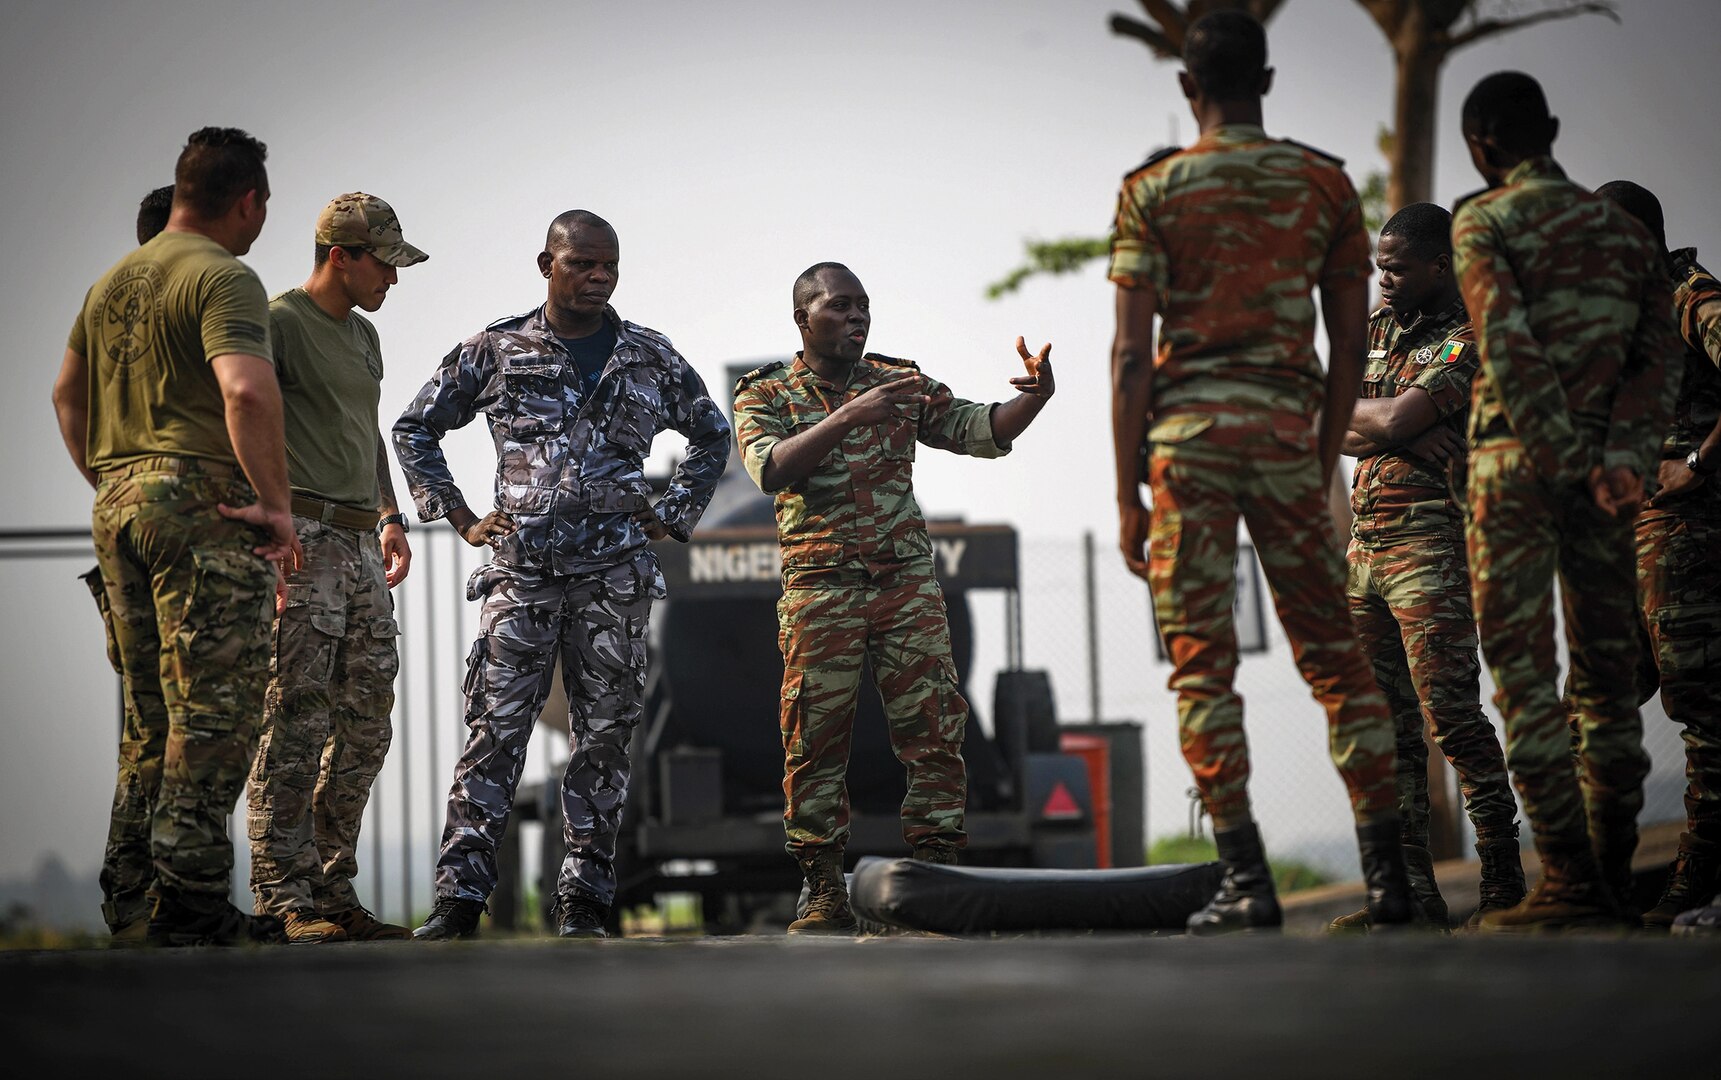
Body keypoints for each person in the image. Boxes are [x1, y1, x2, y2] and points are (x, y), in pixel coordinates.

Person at [1109, 10, 1420, 935]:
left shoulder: (1151, 192)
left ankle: (1248, 883)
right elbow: (1350, 342)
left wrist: (1125, 491)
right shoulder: (1323, 184)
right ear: (1269, 81)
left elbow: (1130, 357)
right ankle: (1387, 884)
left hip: (1189, 453)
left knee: (1201, 670)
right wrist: (1320, 456)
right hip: (1289, 441)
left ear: (1184, 86)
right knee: (1336, 661)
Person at [396, 210, 729, 940]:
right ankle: (458, 901)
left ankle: (584, 902)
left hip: (614, 578)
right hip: (520, 577)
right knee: (494, 735)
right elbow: (415, 424)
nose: (599, 277)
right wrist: (455, 515)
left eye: (609, 265)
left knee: (603, 741)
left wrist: (674, 512)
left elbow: (711, 432)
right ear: (545, 264)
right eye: (582, 264)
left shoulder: (648, 356)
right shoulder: (496, 347)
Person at [731, 261, 1053, 934]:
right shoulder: (763, 394)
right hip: (820, 589)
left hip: (904, 583)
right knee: (814, 739)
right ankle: (822, 889)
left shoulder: (898, 383)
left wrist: (1036, 397)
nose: (856, 318)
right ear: (802, 319)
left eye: (863, 307)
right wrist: (850, 415)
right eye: (839, 307)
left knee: (934, 727)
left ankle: (932, 872)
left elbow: (981, 428)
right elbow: (770, 468)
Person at [52, 127, 300, 946]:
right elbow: (247, 395)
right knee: (215, 710)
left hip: (119, 500)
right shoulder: (222, 277)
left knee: (148, 716)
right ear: (248, 202)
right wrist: (275, 506)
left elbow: (65, 397)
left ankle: (131, 899)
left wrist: (117, 482)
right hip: (199, 505)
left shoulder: (111, 282)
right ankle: (191, 901)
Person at [1452, 73, 1680, 931]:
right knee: (1605, 679)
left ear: (1480, 145)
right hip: (1610, 480)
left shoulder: (1483, 219)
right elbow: (1653, 360)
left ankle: (1569, 882)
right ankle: (1611, 879)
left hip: (1516, 470)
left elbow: (1504, 347)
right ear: (1549, 128)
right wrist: (1615, 461)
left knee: (1522, 677)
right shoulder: (1622, 235)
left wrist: (1558, 457)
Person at [1331, 203, 1523, 931]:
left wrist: (1385, 426)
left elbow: (1379, 420)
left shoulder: (1471, 336)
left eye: (1399, 266)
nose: (1383, 277)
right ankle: (1408, 898)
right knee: (1383, 729)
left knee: (1451, 718)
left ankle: (1504, 884)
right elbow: (1335, 420)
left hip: (1431, 548)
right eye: (1380, 263)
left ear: (1440, 267)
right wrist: (1394, 432)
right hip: (1364, 550)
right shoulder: (1376, 331)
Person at [245, 193, 425, 943]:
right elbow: (242, 416)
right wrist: (268, 525)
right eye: (384, 261)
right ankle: (280, 894)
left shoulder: (364, 336)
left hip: (357, 540)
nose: (393, 277)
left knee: (365, 723)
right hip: (305, 537)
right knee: (293, 715)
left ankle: (330, 886)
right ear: (339, 255)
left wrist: (389, 514)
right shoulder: (278, 324)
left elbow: (366, 430)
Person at [1594, 180, 1721, 931]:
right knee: (1595, 706)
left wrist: (1699, 464)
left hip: (1687, 537)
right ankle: (1597, 884)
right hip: (1629, 543)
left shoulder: (1689, 297)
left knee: (1702, 715)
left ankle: (1695, 883)